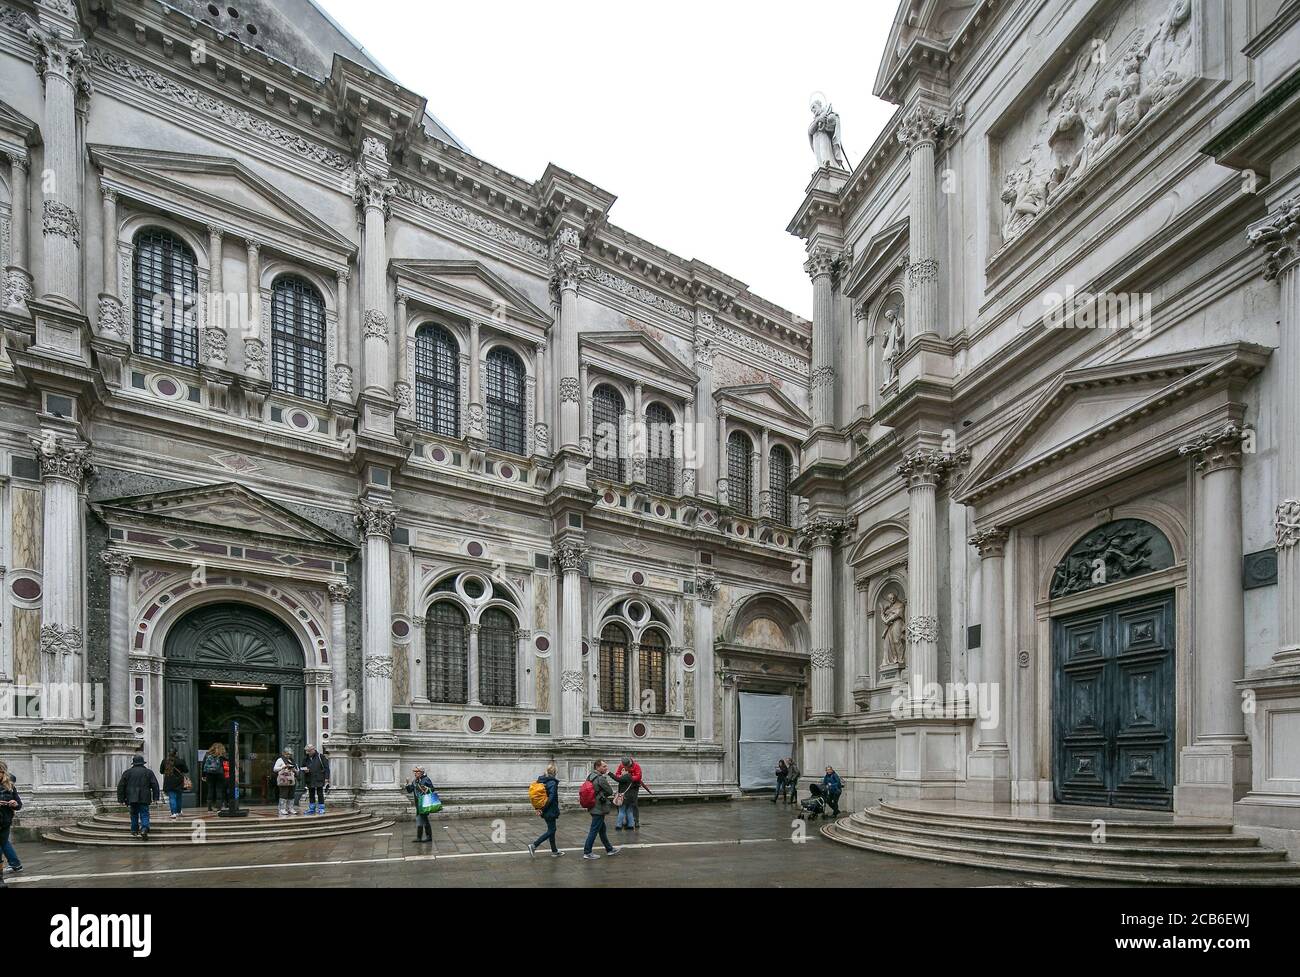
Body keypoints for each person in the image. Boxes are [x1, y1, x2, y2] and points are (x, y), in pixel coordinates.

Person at [582, 759, 621, 860]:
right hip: (598, 808)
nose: (606, 768)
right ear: (597, 767)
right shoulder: (600, 778)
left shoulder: (590, 776)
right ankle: (587, 852)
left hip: (592, 806)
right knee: (594, 830)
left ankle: (609, 849)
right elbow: (609, 791)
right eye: (604, 766)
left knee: (602, 830)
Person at [117, 754, 160, 841]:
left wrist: (121, 799)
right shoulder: (148, 772)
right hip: (144, 797)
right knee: (144, 813)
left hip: (131, 797)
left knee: (134, 814)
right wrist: (156, 798)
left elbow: (121, 786)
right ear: (143, 763)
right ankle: (144, 829)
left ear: (134, 763)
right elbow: (155, 785)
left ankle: (134, 830)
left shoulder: (127, 772)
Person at [527, 763, 563, 857]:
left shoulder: (541, 781)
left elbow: (536, 796)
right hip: (550, 809)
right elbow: (551, 798)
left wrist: (539, 808)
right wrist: (542, 809)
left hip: (544, 808)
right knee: (552, 830)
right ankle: (534, 845)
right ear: (555, 772)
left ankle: (554, 851)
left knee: (551, 829)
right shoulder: (552, 783)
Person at [404, 766, 436, 844]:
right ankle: (421, 837)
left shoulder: (426, 779)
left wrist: (424, 788)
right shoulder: (415, 781)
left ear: (421, 772)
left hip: (424, 803)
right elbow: (410, 790)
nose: (415, 774)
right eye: (414, 772)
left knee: (423, 819)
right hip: (418, 804)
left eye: (417, 772)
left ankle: (426, 837)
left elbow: (432, 789)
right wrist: (407, 784)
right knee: (421, 819)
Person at [0, 761, 22, 875]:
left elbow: (19, 804)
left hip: (5, 820)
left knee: (2, 842)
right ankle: (15, 864)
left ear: (3, 772)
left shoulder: (10, 786)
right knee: (3, 842)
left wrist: (14, 803)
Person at [613, 756, 644, 830]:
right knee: (621, 803)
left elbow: (639, 776)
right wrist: (621, 776)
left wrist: (627, 777)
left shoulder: (636, 766)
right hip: (623, 787)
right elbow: (617, 774)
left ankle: (635, 821)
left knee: (633, 804)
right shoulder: (621, 765)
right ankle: (625, 822)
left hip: (633, 787)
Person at [300, 745, 330, 815]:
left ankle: (321, 808)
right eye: (307, 751)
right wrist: (305, 770)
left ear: (313, 750)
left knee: (320, 793)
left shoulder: (321, 756)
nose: (308, 753)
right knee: (311, 793)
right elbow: (302, 766)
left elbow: (326, 768)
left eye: (309, 751)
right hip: (309, 778)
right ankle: (312, 808)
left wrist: (326, 778)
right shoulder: (305, 758)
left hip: (319, 777)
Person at [159, 750, 188, 820]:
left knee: (172, 797)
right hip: (179, 781)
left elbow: (161, 771)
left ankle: (173, 813)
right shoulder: (181, 761)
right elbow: (186, 770)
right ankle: (178, 811)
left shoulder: (164, 761)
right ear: (176, 753)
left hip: (169, 781)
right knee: (179, 797)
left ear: (168, 753)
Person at [202, 742, 228, 811]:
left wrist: (203, 775)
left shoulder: (207, 754)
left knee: (210, 789)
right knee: (219, 790)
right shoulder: (222, 755)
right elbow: (226, 764)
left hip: (209, 774)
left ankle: (209, 807)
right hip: (220, 774)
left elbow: (204, 765)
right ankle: (218, 807)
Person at [272, 749, 299, 816]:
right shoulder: (280, 760)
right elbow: (275, 769)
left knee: (291, 794)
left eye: (290, 754)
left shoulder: (292, 760)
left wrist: (294, 770)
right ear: (283, 753)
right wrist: (282, 767)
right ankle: (282, 809)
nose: (288, 755)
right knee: (284, 793)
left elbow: (297, 770)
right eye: (287, 754)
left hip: (292, 779)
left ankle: (290, 808)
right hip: (283, 780)